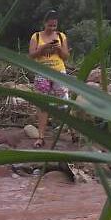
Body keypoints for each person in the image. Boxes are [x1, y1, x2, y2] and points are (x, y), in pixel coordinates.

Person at [28, 9, 70, 147]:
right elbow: (31, 55)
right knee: (43, 106)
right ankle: (40, 136)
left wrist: (58, 49)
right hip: (42, 73)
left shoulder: (61, 36)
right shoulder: (36, 37)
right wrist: (43, 48)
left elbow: (66, 56)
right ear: (44, 23)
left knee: (64, 103)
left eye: (54, 26)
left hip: (58, 72)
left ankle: (72, 132)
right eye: (50, 25)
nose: (52, 28)